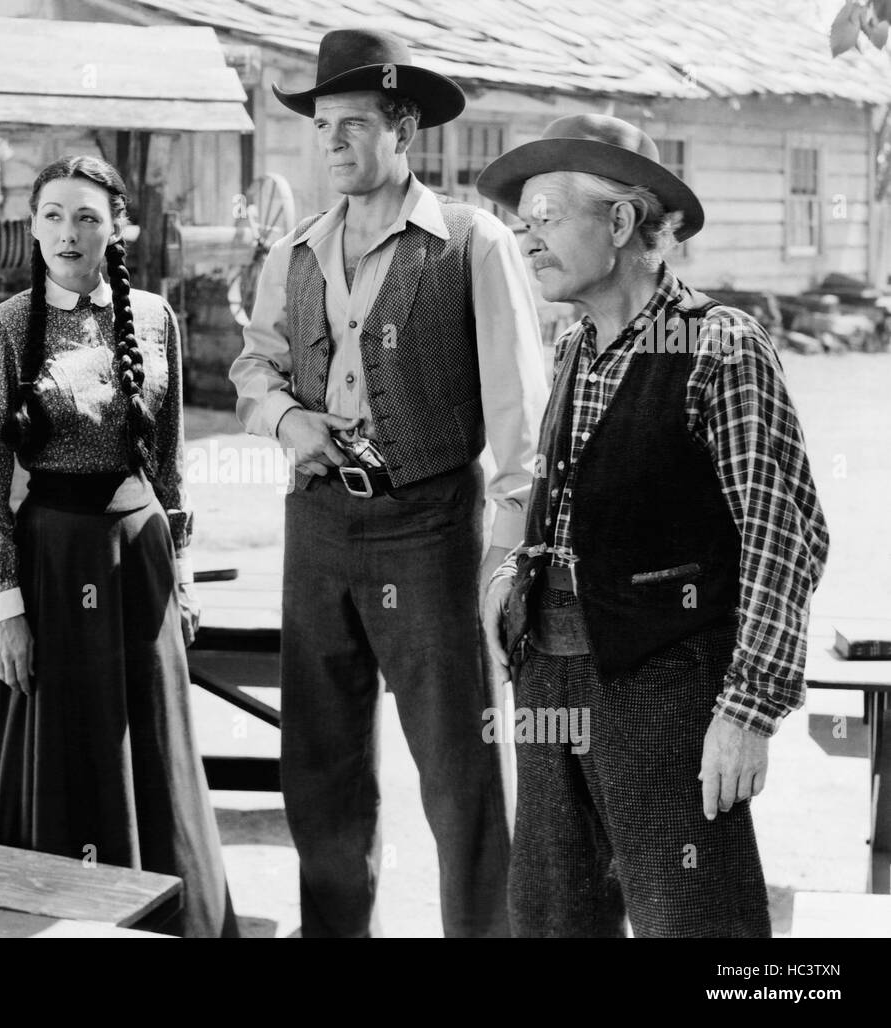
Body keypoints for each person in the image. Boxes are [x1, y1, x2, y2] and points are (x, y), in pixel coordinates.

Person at [477, 114, 829, 937]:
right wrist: (510, 574)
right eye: (522, 222)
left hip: (663, 689)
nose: (526, 239)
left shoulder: (719, 346)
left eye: (546, 217)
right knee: (556, 920)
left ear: (623, 222)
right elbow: (561, 494)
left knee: (698, 926)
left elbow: (784, 537)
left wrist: (747, 711)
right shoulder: (574, 344)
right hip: (550, 683)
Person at [229, 28, 548, 938]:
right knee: (320, 764)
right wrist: (288, 420)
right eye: (323, 125)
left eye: (354, 125)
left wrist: (504, 557)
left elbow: (524, 419)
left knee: (460, 771)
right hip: (319, 526)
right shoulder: (293, 251)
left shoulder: (472, 244)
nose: (332, 144)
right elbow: (256, 369)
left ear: (404, 127)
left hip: (431, 524)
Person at [0, 154, 237, 938]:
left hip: (139, 561)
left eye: (85, 215)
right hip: (51, 566)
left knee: (148, 742)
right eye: (51, 215)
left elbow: (171, 460)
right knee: (65, 747)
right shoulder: (4, 330)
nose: (67, 232)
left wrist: (180, 570)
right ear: (33, 227)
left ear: (116, 227)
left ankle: (165, 915)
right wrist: (4, 608)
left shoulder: (154, 318)